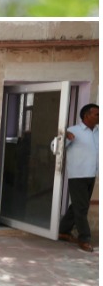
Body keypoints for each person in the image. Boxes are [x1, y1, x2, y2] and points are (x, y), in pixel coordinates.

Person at [59, 101, 98, 253]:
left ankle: (63, 231)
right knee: (81, 208)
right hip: (78, 175)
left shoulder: (98, 132)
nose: (99, 117)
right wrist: (66, 138)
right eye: (97, 114)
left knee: (78, 205)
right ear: (87, 116)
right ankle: (84, 239)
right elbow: (55, 147)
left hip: (92, 174)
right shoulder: (72, 130)